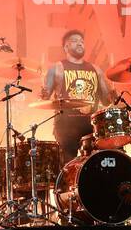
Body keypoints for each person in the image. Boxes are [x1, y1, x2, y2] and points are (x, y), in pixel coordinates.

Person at [40, 29, 115, 159]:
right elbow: (45, 97)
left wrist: (112, 95)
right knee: (69, 166)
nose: (80, 44)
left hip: (91, 125)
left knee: (95, 163)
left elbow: (106, 101)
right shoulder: (56, 68)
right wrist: (43, 93)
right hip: (66, 125)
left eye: (81, 41)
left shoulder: (96, 69)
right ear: (66, 46)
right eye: (74, 41)